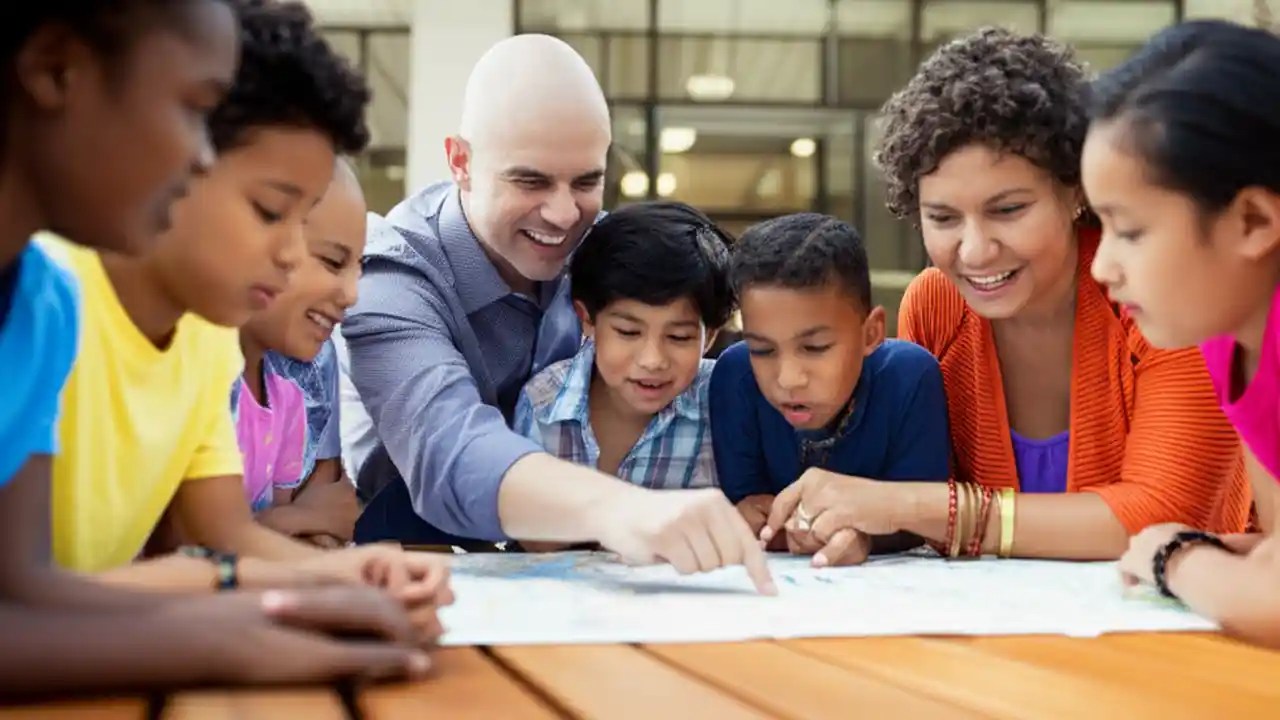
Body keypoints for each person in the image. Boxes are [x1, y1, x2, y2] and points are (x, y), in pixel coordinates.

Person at [0, 0, 431, 697]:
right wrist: (235, 634)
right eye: (269, 210)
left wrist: (301, 596)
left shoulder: (42, 305)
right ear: (55, 71)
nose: (200, 157)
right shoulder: (66, 296)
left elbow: (26, 592)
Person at [763, 27, 1250, 561]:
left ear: (1076, 190)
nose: (974, 251)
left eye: (1008, 210)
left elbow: (1160, 514)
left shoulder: (1158, 297)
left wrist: (913, 507)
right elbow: (908, 497)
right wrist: (862, 527)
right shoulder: (936, 305)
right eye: (943, 218)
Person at [341, 34, 773, 593]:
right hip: (414, 560)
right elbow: (446, 449)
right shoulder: (388, 276)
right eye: (531, 180)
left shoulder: (603, 253)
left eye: (587, 182)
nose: (565, 214)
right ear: (461, 161)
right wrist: (625, 510)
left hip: (580, 573)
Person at [1085, 19, 1280, 647]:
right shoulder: (1229, 337)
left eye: (1131, 232)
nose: (1101, 266)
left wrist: (1180, 561)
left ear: (1252, 219)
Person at [712, 214, 950, 566]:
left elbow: (926, 517)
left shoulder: (910, 379)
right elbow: (749, 500)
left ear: (871, 333)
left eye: (816, 347)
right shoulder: (735, 377)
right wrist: (751, 515)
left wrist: (867, 537)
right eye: (762, 350)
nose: (788, 378)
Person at [513, 201, 732, 495]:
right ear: (587, 319)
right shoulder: (544, 403)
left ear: (711, 336)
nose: (652, 361)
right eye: (628, 332)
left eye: (679, 337)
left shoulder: (725, 402)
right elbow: (528, 529)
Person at [233, 159, 365, 548]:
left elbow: (333, 517)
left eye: (360, 267)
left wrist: (281, 527)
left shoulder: (294, 382)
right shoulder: (198, 368)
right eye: (332, 261)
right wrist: (290, 524)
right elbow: (203, 540)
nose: (353, 294)